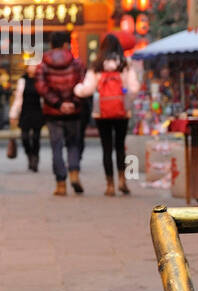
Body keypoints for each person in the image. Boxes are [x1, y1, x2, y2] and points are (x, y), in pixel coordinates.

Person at [74, 33, 141, 195]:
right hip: (121, 112)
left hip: (101, 112)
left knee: (106, 148)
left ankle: (110, 185)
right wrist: (126, 100)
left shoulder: (96, 65)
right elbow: (134, 88)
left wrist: (77, 89)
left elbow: (87, 89)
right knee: (120, 147)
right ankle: (122, 180)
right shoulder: (125, 64)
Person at [35, 30, 86, 195]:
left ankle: (61, 184)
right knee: (73, 144)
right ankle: (74, 173)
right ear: (66, 44)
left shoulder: (43, 64)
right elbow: (83, 86)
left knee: (56, 147)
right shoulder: (77, 64)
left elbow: (41, 87)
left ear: (51, 44)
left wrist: (57, 104)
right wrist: (72, 103)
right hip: (74, 111)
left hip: (52, 112)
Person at [9, 58, 44, 170]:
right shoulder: (22, 80)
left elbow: (45, 97)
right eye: (31, 66)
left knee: (36, 137)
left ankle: (35, 157)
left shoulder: (41, 80)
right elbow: (18, 98)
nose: (32, 68)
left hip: (38, 111)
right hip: (25, 112)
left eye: (35, 66)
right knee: (24, 137)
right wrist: (13, 114)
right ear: (27, 68)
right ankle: (29, 155)